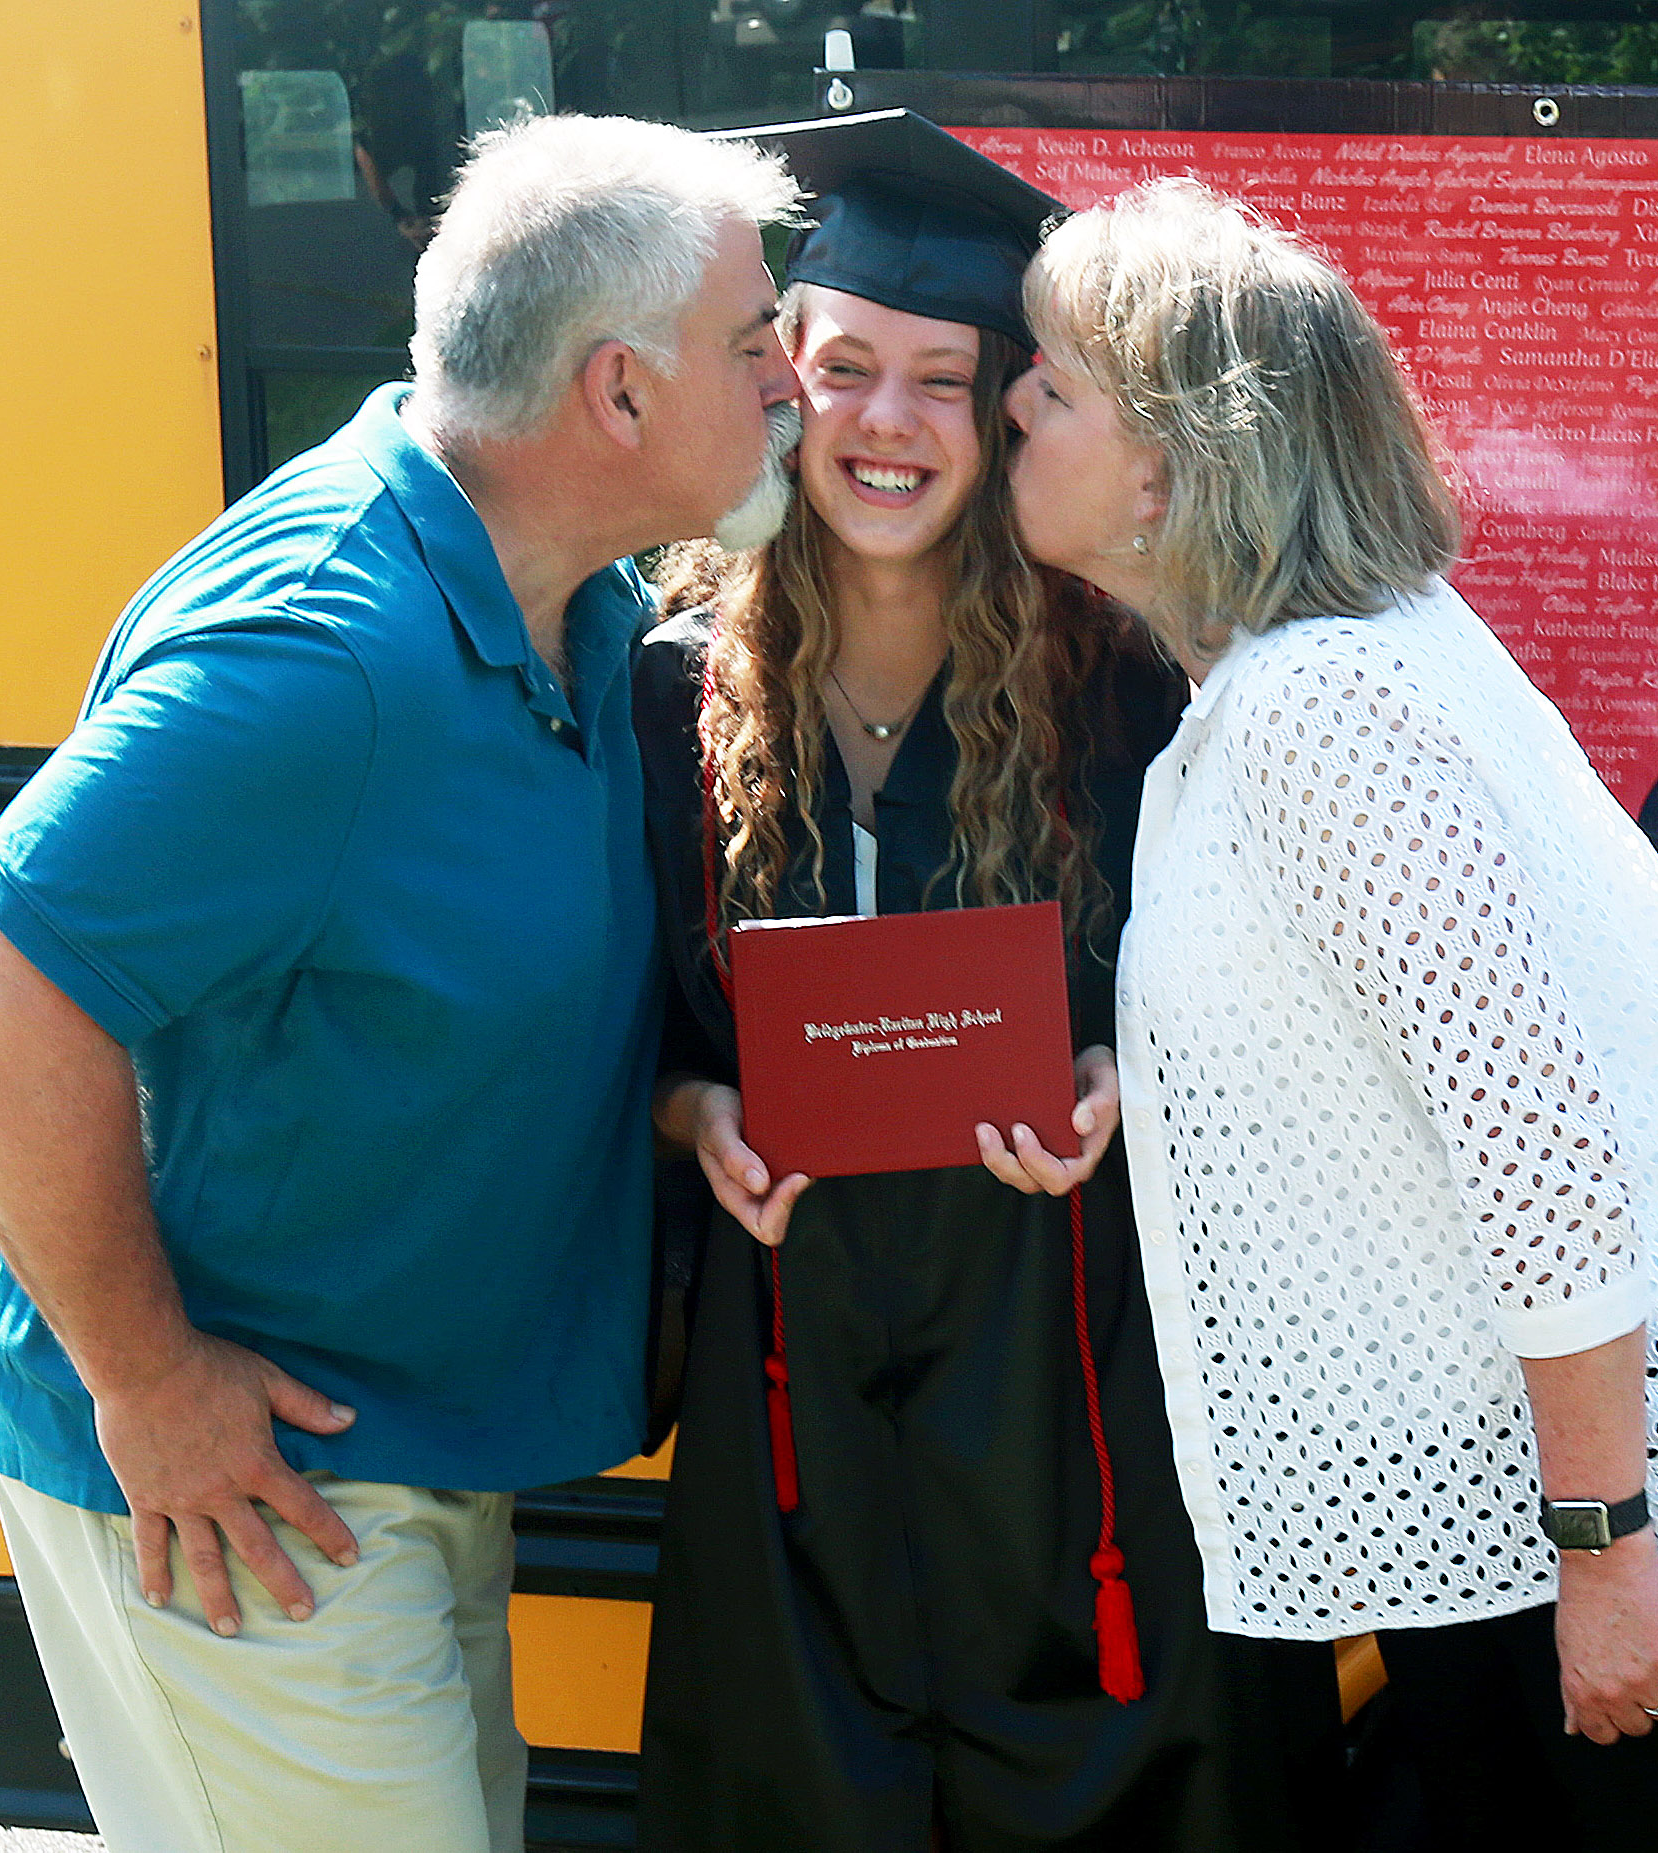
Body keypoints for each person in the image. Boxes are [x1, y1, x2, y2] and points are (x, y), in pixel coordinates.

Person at [1001, 177, 1658, 1850]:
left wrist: (1604, 1545)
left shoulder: (1319, 707)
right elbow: (1380, 1049)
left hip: (1633, 1498)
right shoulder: (1323, 668)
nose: (1010, 399)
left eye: (1053, 379)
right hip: (1539, 1475)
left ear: (1166, 461)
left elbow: (1538, 1145)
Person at [0, 114, 801, 1853]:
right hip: (240, 1489)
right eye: (753, 340)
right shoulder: (324, 653)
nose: (789, 379)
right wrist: (151, 1383)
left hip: (391, 1447)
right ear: (616, 394)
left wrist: (679, 1101)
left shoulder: (568, 600)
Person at [630, 114, 1340, 1853]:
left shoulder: (1126, 688)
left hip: (1074, 1355)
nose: (887, 422)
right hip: (793, 1361)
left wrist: (1124, 1083)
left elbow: (1259, 1015)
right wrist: (691, 1104)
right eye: (847, 366)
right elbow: (623, 1022)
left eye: (943, 381)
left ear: (1005, 403)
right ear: (784, 385)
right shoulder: (667, 699)